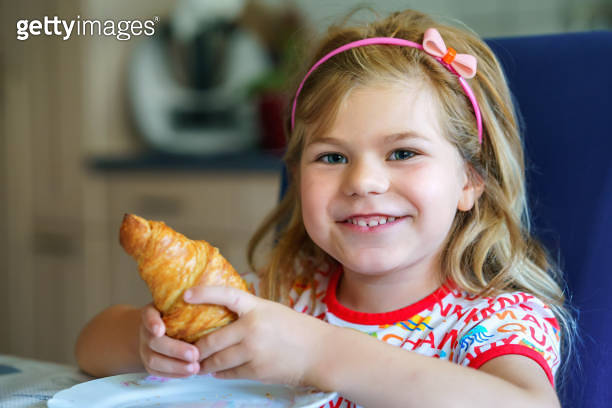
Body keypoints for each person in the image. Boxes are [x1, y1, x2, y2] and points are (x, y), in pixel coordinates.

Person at [75, 9, 575, 408]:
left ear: (471, 179)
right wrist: (148, 345)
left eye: (403, 153)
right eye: (331, 157)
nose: (363, 182)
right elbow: (90, 345)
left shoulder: (492, 317)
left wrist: (317, 352)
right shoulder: (287, 294)